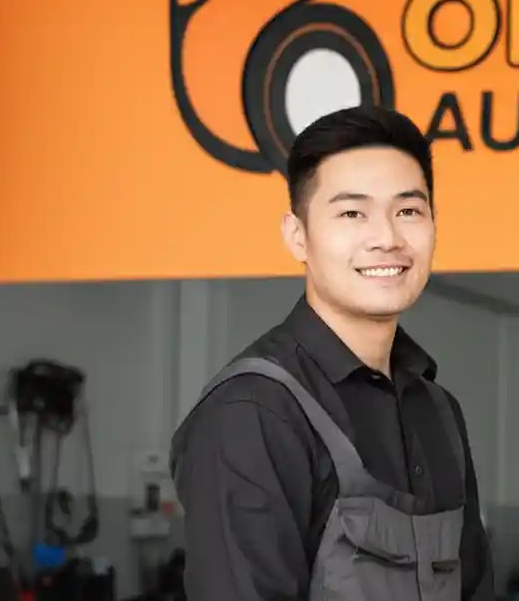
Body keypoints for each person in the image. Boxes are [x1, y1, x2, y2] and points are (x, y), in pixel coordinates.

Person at [170, 106, 494, 600]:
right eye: (351, 213)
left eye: (408, 210)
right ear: (297, 236)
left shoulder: (438, 412)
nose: (387, 238)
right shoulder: (255, 413)